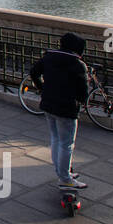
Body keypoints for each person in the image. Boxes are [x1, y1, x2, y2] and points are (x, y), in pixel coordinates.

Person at [29, 32, 90, 187]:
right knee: (67, 143)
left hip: (48, 104)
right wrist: (81, 102)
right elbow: (83, 92)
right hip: (67, 108)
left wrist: (42, 88)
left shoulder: (49, 57)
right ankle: (65, 178)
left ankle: (61, 171)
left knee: (55, 139)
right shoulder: (78, 65)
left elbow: (33, 72)